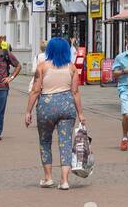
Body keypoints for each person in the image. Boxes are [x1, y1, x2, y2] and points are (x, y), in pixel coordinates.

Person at [24, 36, 86, 189]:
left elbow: (35, 90)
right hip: (67, 105)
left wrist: (28, 111)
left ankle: (48, 177)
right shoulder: (71, 67)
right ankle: (64, 180)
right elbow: (76, 92)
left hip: (47, 105)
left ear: (49, 49)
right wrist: (81, 114)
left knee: (45, 141)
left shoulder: (42, 67)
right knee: (65, 142)